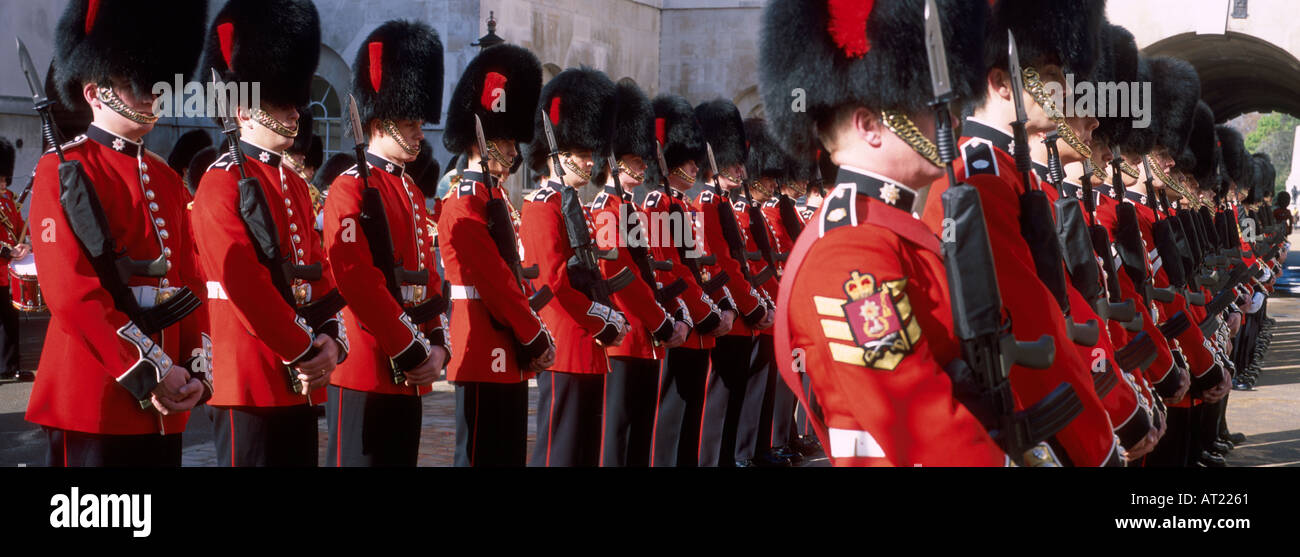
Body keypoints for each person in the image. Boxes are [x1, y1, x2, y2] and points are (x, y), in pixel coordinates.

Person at [761, 0, 1007, 466]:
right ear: (871, 126)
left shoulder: (889, 230)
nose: (951, 122)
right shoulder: (850, 249)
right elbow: (913, 414)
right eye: (932, 109)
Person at [918, 0, 1122, 466]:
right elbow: (1031, 318)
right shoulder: (980, 173)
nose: (1069, 94)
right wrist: (1100, 435)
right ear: (1001, 83)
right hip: (1015, 412)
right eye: (1052, 74)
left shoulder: (1010, 171)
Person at [26, 0, 211, 466]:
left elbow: (189, 282)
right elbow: (72, 294)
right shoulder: (62, 170)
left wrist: (194, 369)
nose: (151, 94)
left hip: (166, 403)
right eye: (135, 83)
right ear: (94, 91)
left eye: (155, 83)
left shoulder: (167, 179)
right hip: (96, 398)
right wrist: (150, 371)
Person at [192, 0, 346, 466]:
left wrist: (331, 339)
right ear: (243, 111)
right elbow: (243, 284)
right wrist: (304, 349)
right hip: (250, 374)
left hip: (300, 378)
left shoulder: (295, 184)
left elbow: (315, 272)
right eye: (280, 102)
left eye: (293, 100)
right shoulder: (220, 180)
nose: (295, 112)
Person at [320, 19, 449, 467]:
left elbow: (428, 278)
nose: (419, 132)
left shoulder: (411, 191)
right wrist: (411, 346)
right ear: (378, 123)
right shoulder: (349, 188)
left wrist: (438, 342)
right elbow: (356, 279)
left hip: (410, 371)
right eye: (410, 122)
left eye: (420, 122)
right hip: (368, 368)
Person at [439, 44, 554, 467]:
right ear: (481, 142)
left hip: (507, 342)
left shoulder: (496, 198)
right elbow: (494, 281)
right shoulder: (465, 201)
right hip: (483, 343)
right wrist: (534, 333)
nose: (511, 151)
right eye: (503, 141)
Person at [591, 80, 690, 466]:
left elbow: (651, 269)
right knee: (617, 435)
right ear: (614, 160)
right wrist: (659, 321)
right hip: (624, 336)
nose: (643, 166)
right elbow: (617, 274)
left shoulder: (628, 207)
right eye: (634, 160)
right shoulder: (605, 208)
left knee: (639, 437)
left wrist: (666, 316)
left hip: (645, 333)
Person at [646, 94, 732, 467]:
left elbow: (701, 266)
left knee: (690, 416)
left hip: (697, 319)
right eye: (689, 162)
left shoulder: (684, 205)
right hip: (680, 319)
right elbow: (667, 268)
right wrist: (697, 313)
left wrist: (718, 306)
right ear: (670, 162)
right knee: (670, 415)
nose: (695, 169)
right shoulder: (657, 204)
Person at [0, 137, 32, 382]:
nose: (2, 183)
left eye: (4, 178)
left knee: (10, 321)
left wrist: (24, 244)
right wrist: (6, 250)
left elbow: (21, 228)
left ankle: (8, 366)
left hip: (5, 272)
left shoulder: (8, 199)